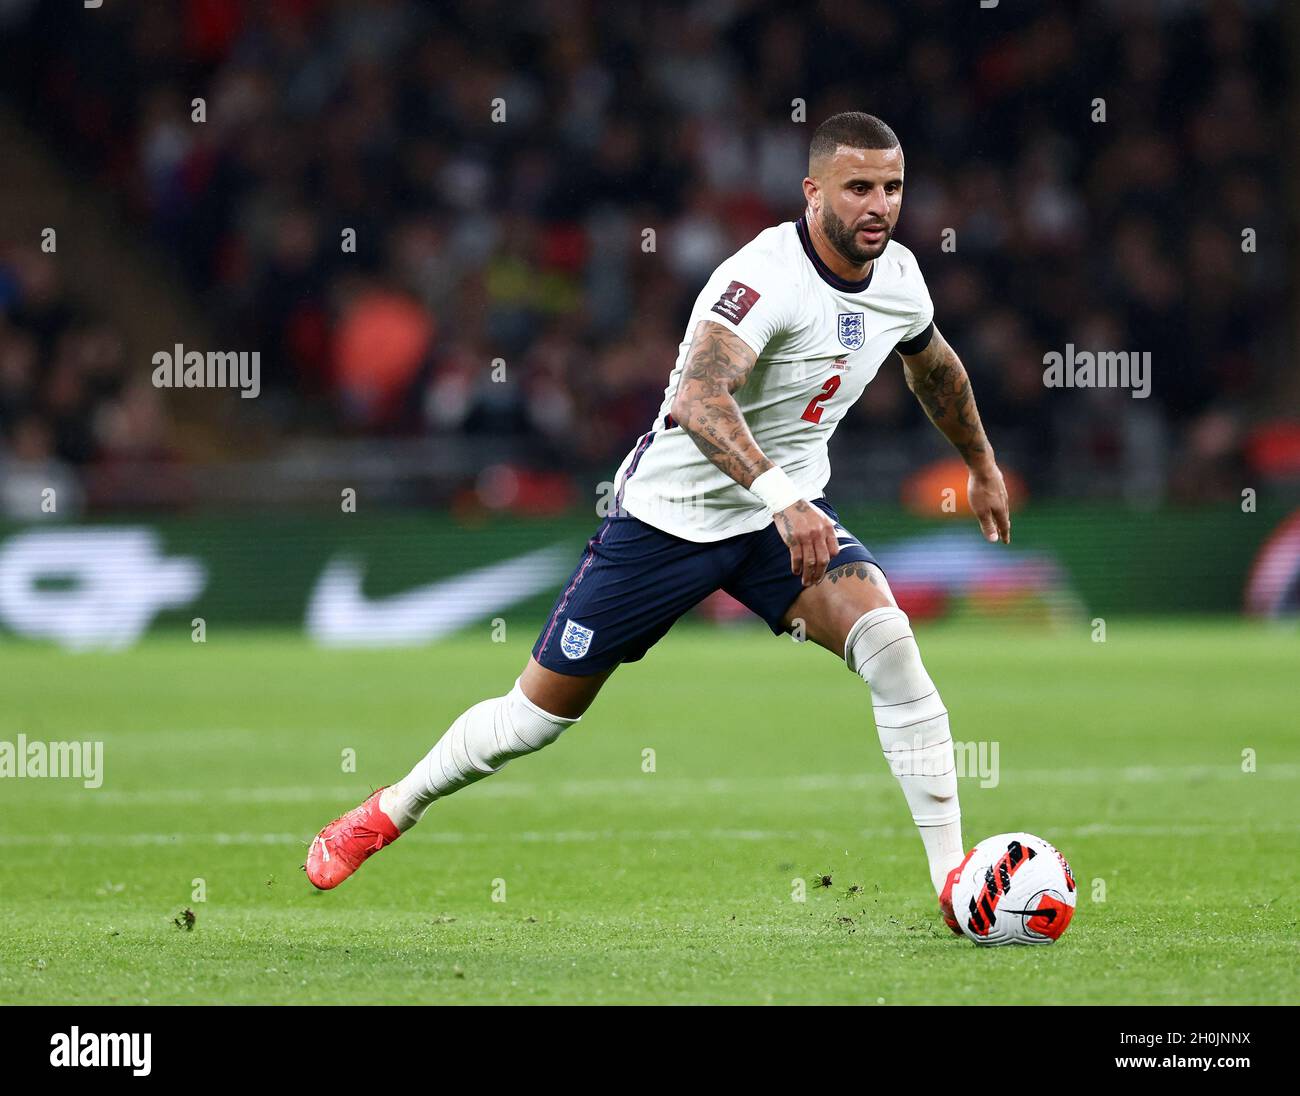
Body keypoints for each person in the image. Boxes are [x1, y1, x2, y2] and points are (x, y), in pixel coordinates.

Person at [305, 112, 1011, 933]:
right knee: (533, 721)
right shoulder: (761, 279)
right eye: (859, 187)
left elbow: (936, 368)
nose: (879, 205)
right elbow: (697, 401)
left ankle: (954, 883)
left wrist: (983, 465)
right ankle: (391, 808)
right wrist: (786, 497)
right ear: (812, 191)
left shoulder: (899, 278)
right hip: (669, 521)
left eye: (892, 187)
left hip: (777, 524)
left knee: (889, 644)